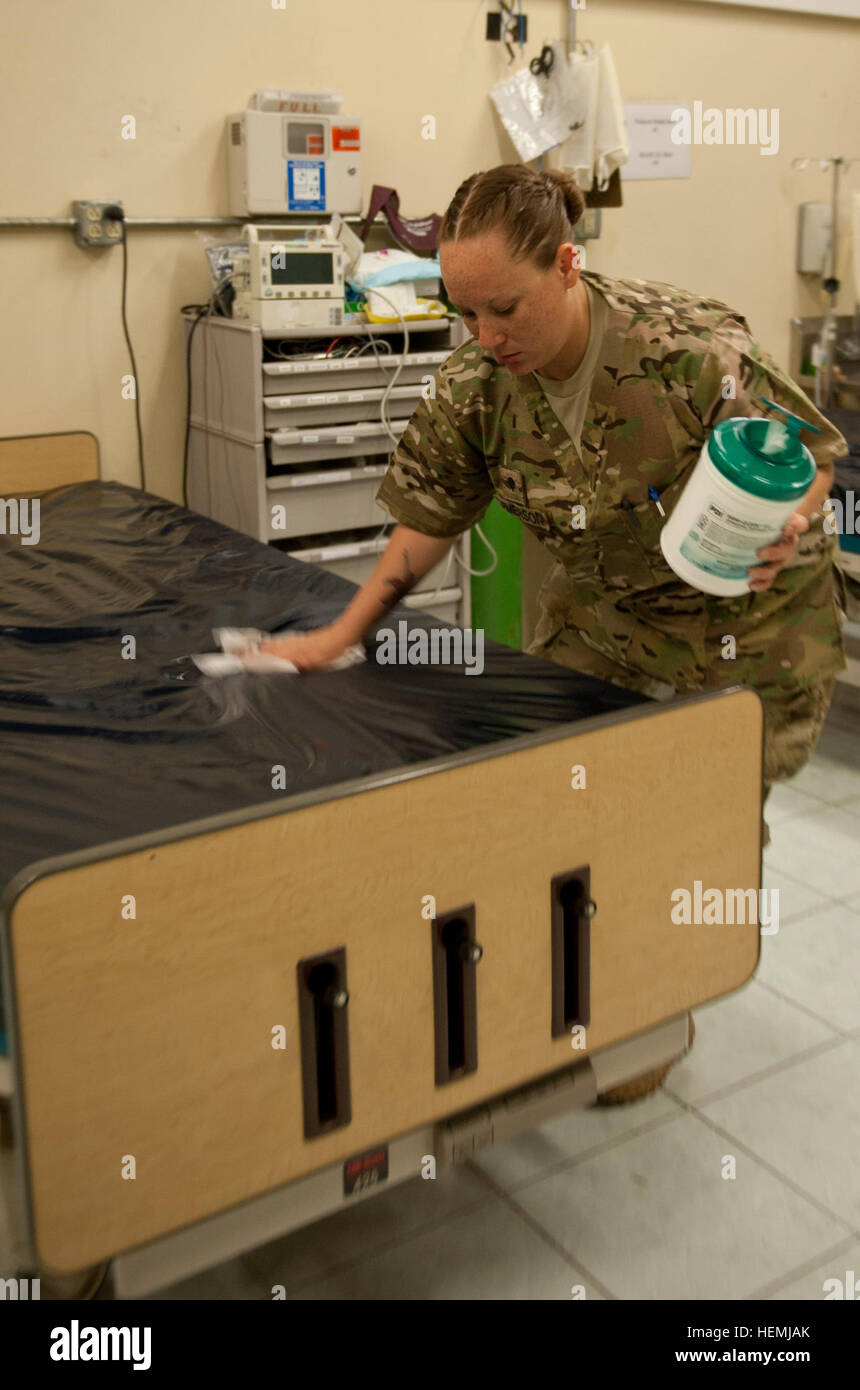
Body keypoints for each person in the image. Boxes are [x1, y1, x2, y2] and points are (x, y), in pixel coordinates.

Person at [260, 162, 849, 1101]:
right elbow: (425, 521)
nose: (489, 338)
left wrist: (795, 518)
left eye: (506, 309)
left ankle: (660, 1008)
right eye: (467, 315)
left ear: (569, 267)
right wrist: (344, 633)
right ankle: (574, 978)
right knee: (561, 791)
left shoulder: (689, 350)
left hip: (750, 619)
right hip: (610, 609)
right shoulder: (477, 386)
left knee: (701, 816)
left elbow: (812, 454)